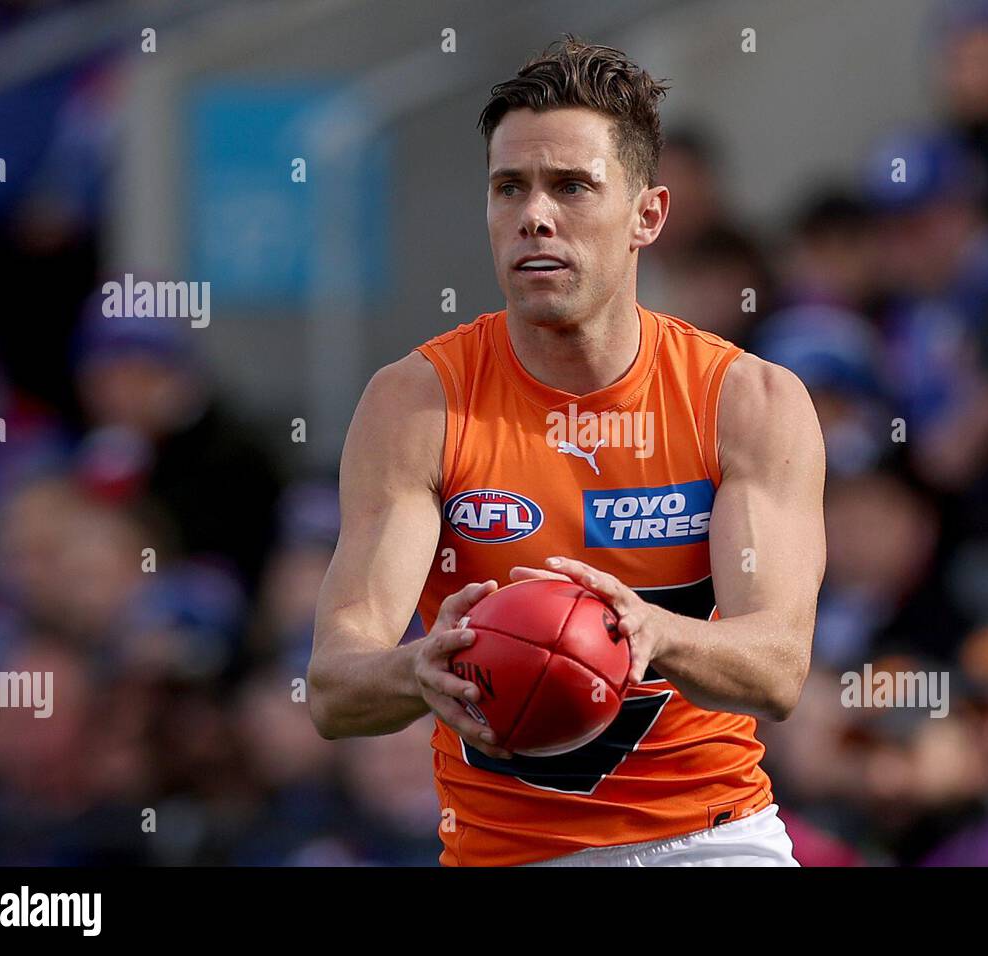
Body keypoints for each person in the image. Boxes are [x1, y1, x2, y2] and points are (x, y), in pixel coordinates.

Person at [308, 36, 826, 867]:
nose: (534, 214)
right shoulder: (415, 403)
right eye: (509, 186)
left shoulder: (746, 401)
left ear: (648, 216)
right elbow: (334, 683)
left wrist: (652, 632)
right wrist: (418, 671)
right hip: (501, 853)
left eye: (573, 186)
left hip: (711, 841)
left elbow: (779, 669)